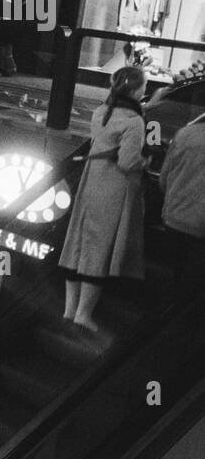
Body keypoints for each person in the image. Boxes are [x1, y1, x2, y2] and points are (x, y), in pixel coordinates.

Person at [58, 66, 150, 332]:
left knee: (78, 244)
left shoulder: (101, 112)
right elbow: (128, 161)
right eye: (144, 86)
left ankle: (69, 309)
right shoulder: (134, 121)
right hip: (113, 189)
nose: (146, 90)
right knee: (100, 251)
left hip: (91, 182)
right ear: (135, 90)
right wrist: (146, 161)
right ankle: (83, 314)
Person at [159, 112, 205, 305]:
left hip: (174, 216)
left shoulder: (184, 134)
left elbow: (164, 177)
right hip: (200, 225)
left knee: (175, 268)